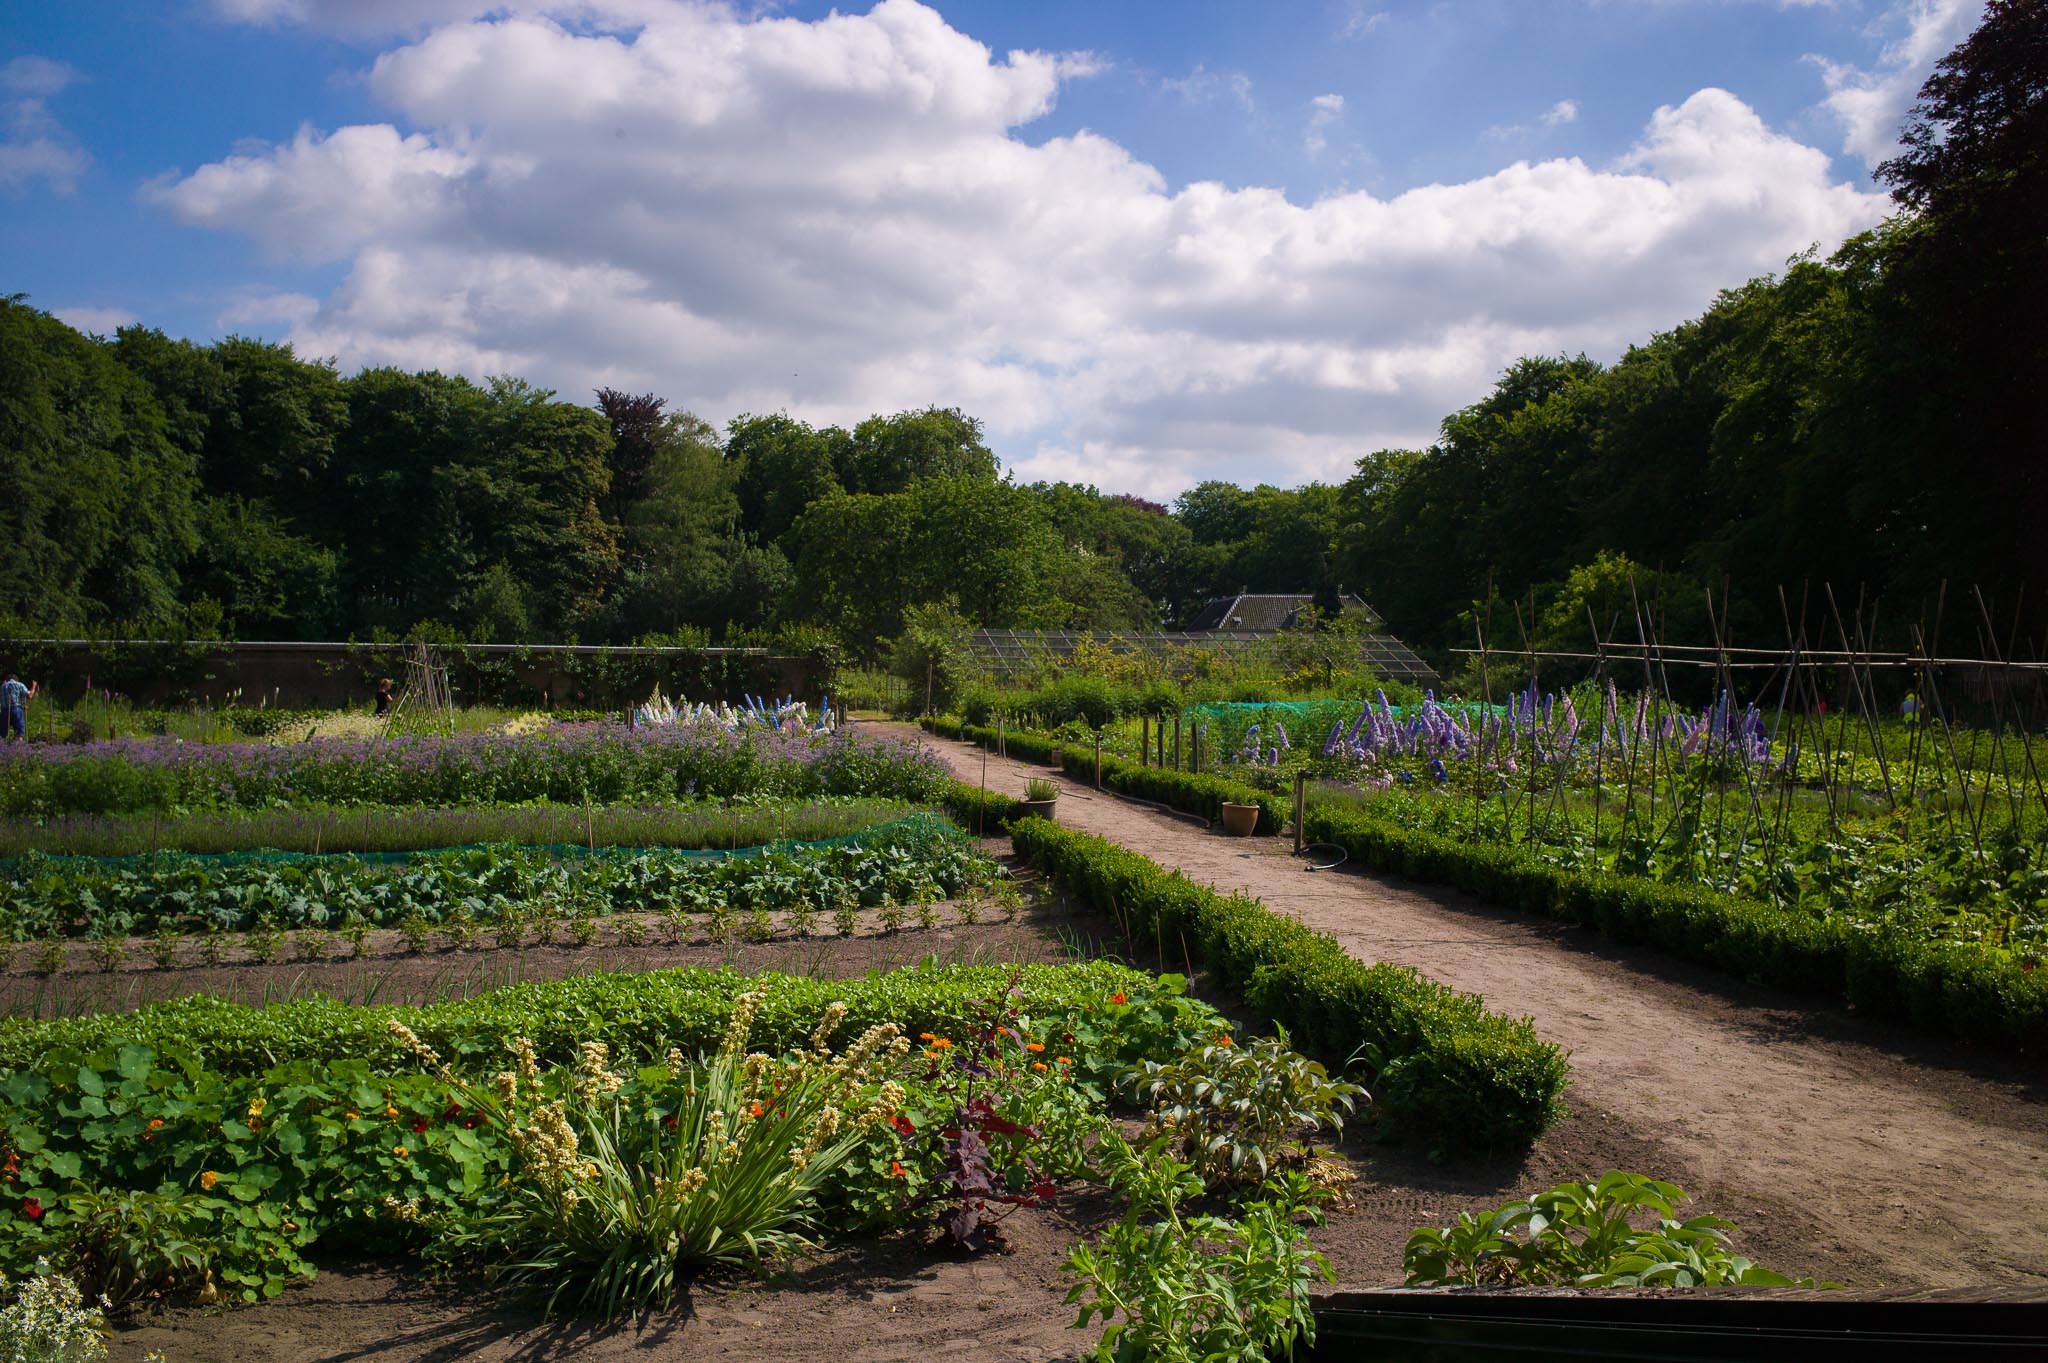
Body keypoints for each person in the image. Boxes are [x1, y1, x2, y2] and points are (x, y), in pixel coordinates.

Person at [0, 673, 35, 742]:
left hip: (4, 711)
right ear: (16, 679)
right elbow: (29, 696)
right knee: (19, 733)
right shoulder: (19, 684)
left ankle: (2, 747)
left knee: (2, 734)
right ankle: (18, 747)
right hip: (16, 710)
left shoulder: (2, 686)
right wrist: (34, 686)